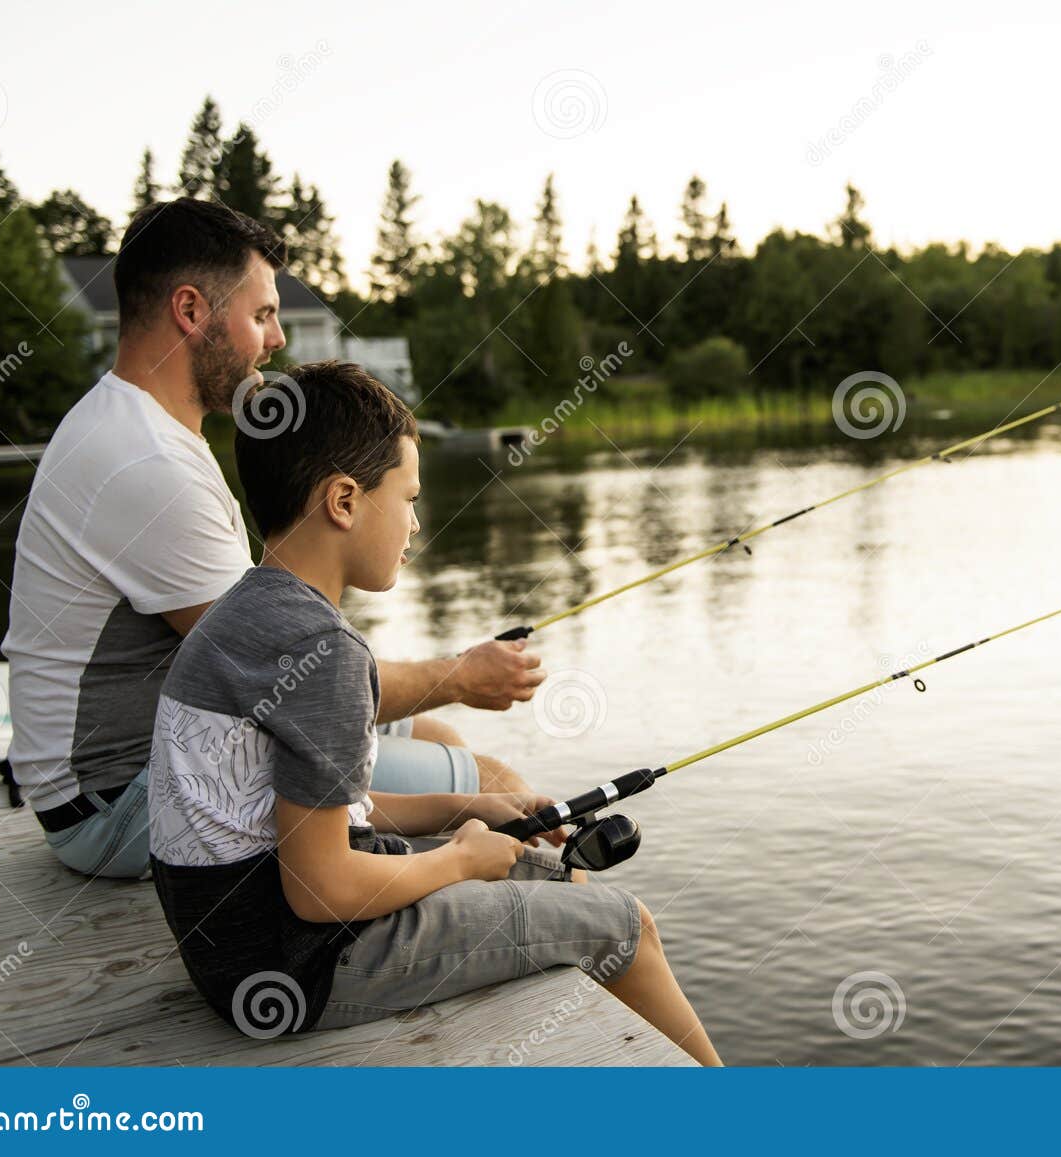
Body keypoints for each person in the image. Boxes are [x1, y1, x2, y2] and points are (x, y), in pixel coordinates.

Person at [148, 362, 720, 1064]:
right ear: (344, 501)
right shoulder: (322, 652)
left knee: (547, 871)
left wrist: (467, 807)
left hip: (233, 950)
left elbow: (315, 820)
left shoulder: (245, 612)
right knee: (625, 926)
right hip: (301, 964)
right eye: (409, 498)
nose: (416, 522)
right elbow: (321, 888)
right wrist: (458, 860)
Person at [1, 198, 543, 879]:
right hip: (115, 804)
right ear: (191, 310)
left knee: (436, 737)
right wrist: (459, 675)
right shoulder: (146, 464)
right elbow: (292, 674)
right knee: (491, 783)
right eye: (262, 314)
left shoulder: (142, 427)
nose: (279, 338)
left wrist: (448, 684)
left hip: (149, 766)